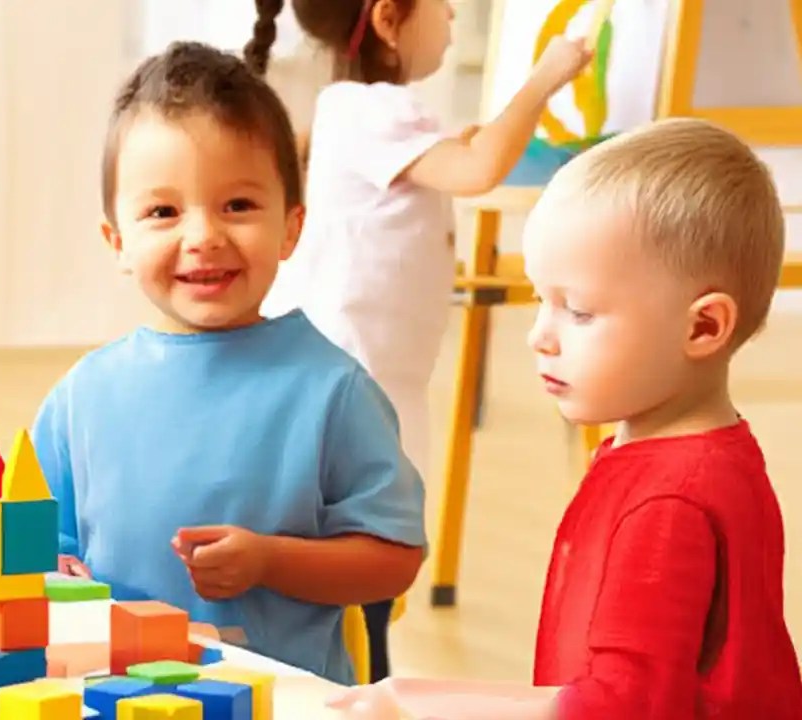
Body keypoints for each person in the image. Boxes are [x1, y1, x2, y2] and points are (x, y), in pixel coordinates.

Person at [328, 118, 802, 718]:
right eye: (539, 300)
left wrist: (426, 707)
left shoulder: (671, 501)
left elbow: (622, 707)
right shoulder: (698, 455)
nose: (538, 337)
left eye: (577, 310)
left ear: (702, 326)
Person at [30, 41, 426, 685]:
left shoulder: (333, 390)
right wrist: (51, 573)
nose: (203, 236)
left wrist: (271, 562)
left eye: (237, 205)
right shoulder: (83, 395)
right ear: (118, 241)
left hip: (278, 700)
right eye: (163, 211)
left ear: (291, 228)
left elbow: (394, 559)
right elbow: (37, 546)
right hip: (114, 694)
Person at [243, 0, 593, 680]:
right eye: (441, 4)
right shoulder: (372, 109)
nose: (454, 12)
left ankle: (351, 662)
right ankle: (347, 668)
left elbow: (461, 162)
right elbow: (479, 171)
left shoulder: (361, 108)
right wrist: (545, 78)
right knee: (370, 536)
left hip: (374, 369)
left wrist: (468, 140)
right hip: (358, 368)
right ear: (386, 18)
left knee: (373, 534)